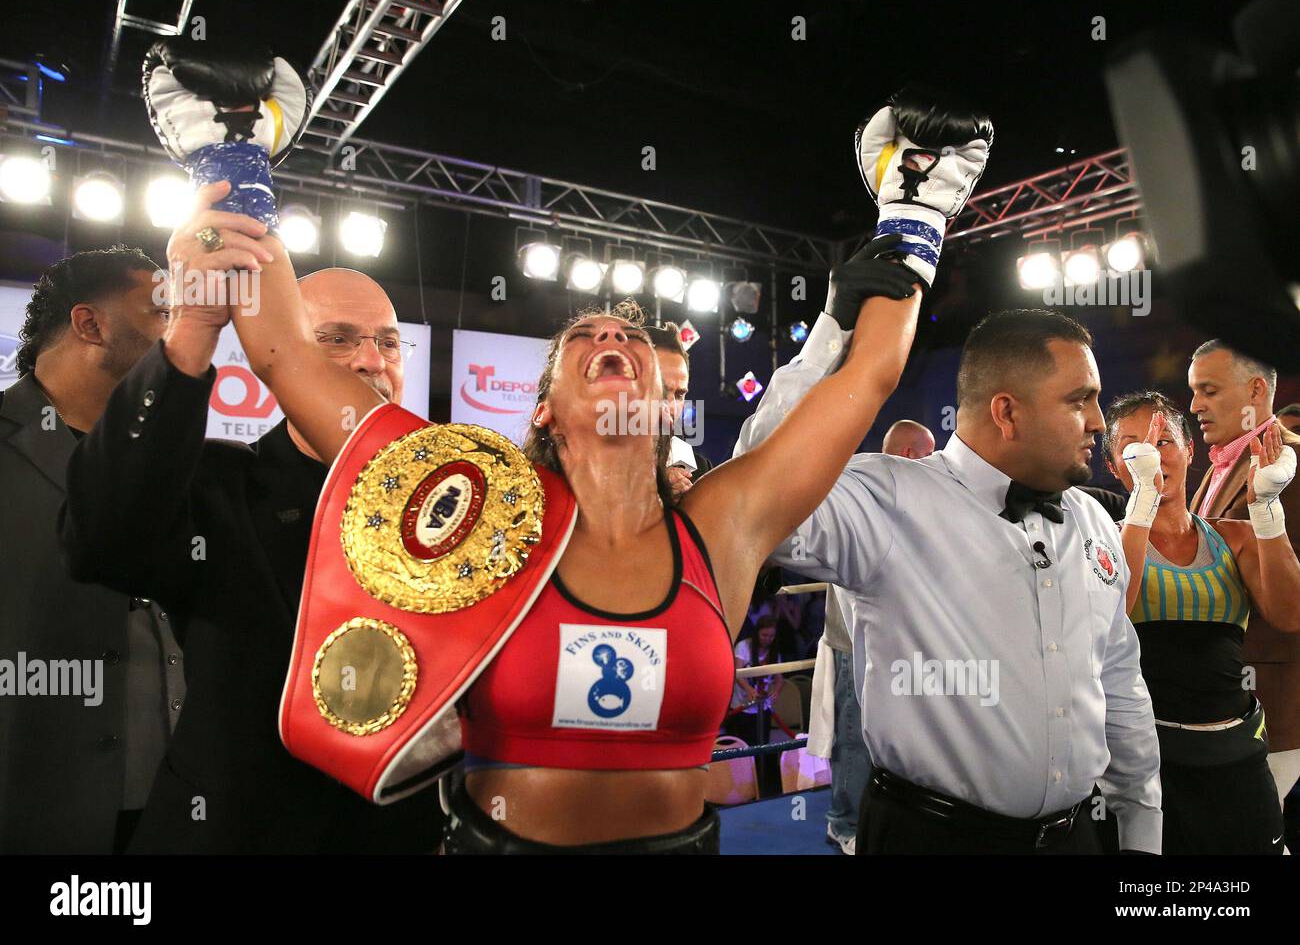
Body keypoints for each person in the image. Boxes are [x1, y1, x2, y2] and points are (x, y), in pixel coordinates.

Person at [150, 56, 988, 852]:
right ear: (546, 405)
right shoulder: (474, 504)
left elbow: (872, 373)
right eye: (585, 336)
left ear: (666, 400)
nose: (611, 335)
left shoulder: (724, 524)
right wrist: (236, 158)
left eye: (626, 334)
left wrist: (915, 218)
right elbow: (284, 355)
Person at [736, 308, 1162, 854]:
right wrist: (830, 337)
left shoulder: (1095, 520)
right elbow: (751, 507)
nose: (1099, 421)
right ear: (1006, 412)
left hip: (1075, 838)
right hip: (930, 837)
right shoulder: (888, 499)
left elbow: (1118, 677)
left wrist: (1142, 821)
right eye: (1079, 400)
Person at [59, 258, 445, 852]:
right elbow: (102, 542)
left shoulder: (451, 504)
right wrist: (191, 330)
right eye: (337, 339)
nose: (373, 361)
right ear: (278, 359)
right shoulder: (218, 485)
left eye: (389, 342)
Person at [0, 246, 184, 853]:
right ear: (90, 324)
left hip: (164, 810)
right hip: (33, 808)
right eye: (162, 311)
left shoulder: (174, 460)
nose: (179, 332)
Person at [1106, 392, 1299, 852]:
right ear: (1115, 467)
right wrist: (1145, 499)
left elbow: (1290, 615)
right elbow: (1114, 614)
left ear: (1190, 451)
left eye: (1165, 440)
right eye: (1134, 446)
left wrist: (1268, 512)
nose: (1154, 453)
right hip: (1149, 761)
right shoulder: (1105, 542)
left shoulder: (1235, 538)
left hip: (1237, 756)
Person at [1188, 340, 1300, 811]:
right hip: (1225, 706)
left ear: (1256, 390)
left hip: (1276, 707)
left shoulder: (1292, 464)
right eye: (1193, 392)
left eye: (1208, 391)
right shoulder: (1220, 466)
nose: (1194, 406)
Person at [822, 417, 932, 853]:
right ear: (907, 454)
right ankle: (843, 822)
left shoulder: (908, 497)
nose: (935, 461)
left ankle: (875, 819)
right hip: (854, 639)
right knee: (854, 734)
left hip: (897, 638)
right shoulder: (862, 488)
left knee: (895, 733)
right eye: (928, 452)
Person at [646, 322, 713, 499]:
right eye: (659, 390)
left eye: (679, 395)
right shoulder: (587, 462)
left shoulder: (700, 472)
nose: (670, 407)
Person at [726, 615, 786, 796]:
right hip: (743, 706)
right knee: (746, 747)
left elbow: (779, 677)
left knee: (763, 745)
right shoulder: (743, 646)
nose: (768, 639)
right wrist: (749, 689)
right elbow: (737, 673)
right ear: (757, 633)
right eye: (765, 635)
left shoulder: (774, 650)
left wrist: (776, 690)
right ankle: (744, 788)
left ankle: (762, 787)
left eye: (771, 636)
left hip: (764, 707)